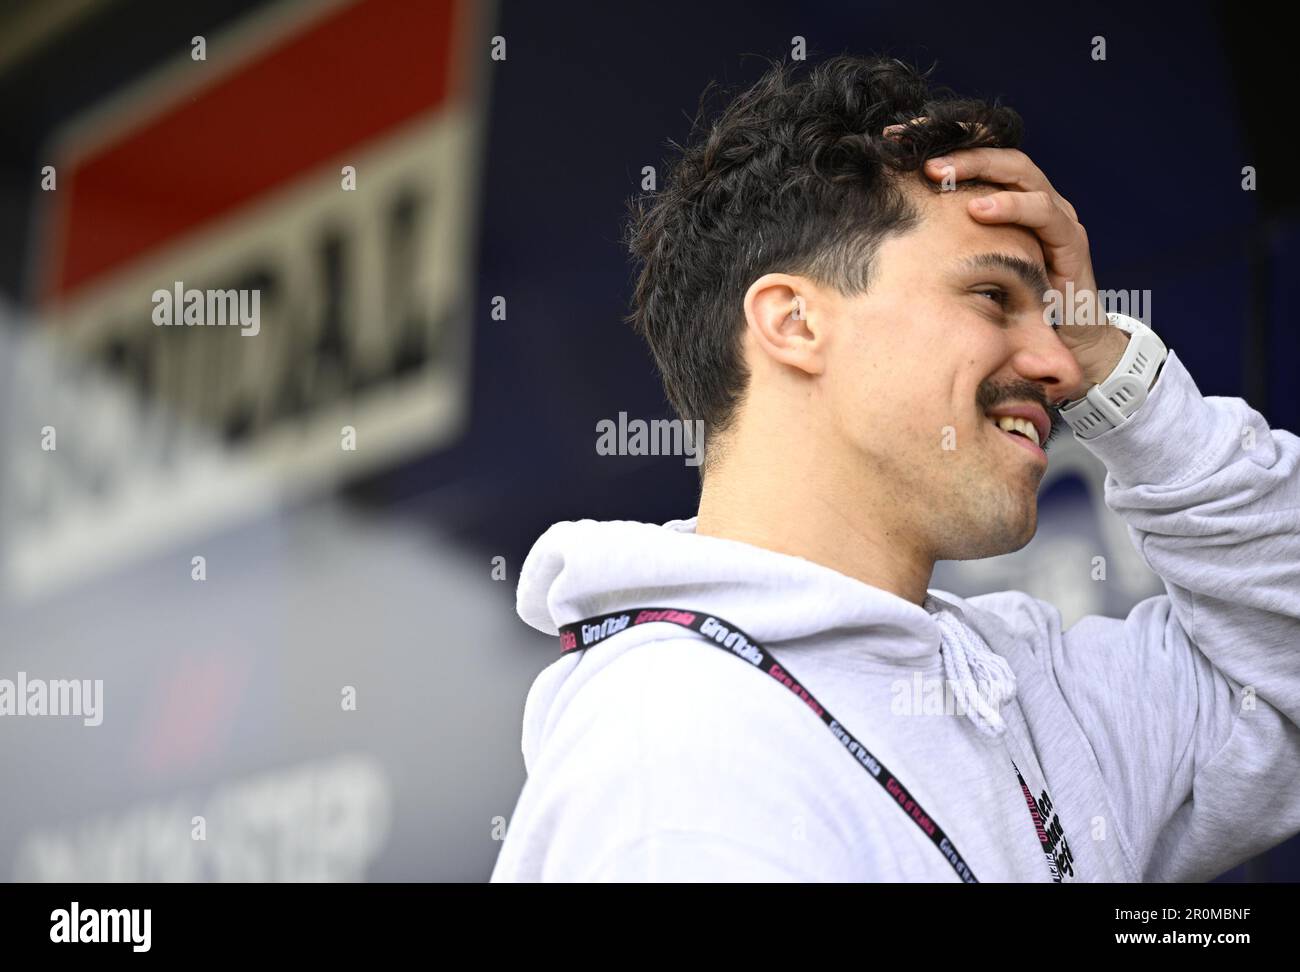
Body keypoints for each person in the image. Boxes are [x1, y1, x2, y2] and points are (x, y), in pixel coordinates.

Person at [490, 54, 1300, 882]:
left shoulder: (1020, 685)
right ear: (795, 322)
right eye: (994, 297)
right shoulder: (679, 767)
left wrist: (1120, 366)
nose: (1059, 361)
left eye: (1058, 316)